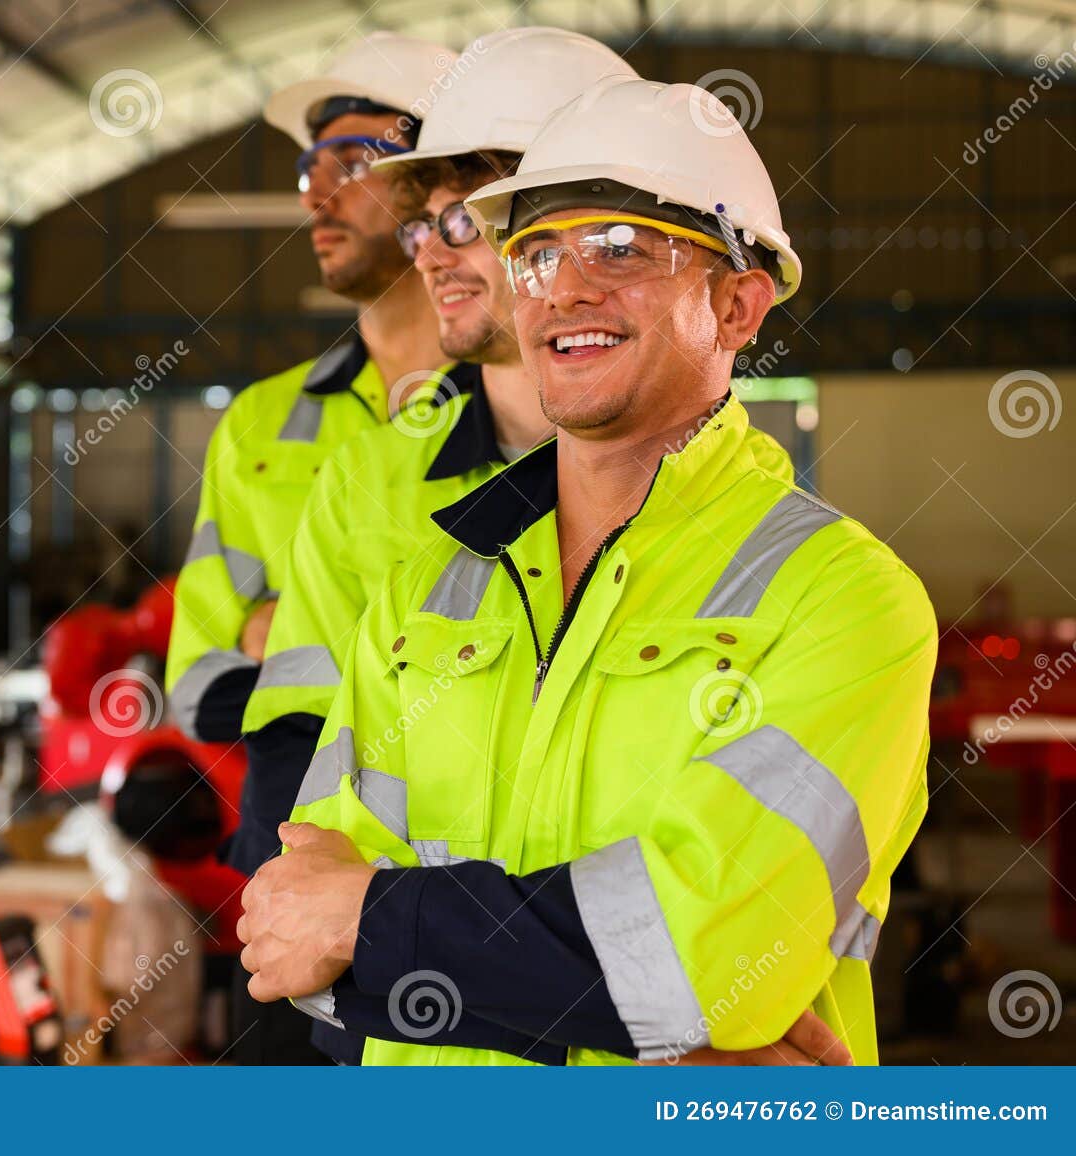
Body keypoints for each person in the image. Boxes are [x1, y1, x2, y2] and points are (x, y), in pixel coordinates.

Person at [236, 76, 936, 1066]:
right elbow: (289, 928)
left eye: (620, 249)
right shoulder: (425, 589)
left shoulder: (846, 601)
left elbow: (701, 965)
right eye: (535, 255)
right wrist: (639, 1025)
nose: (566, 289)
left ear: (736, 305)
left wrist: (375, 930)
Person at [164, 31, 456, 1065]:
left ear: (442, 182)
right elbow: (200, 682)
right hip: (284, 856)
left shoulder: (532, 419)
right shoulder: (259, 425)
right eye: (308, 167)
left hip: (467, 863)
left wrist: (292, 629)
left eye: (353, 160)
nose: (315, 194)